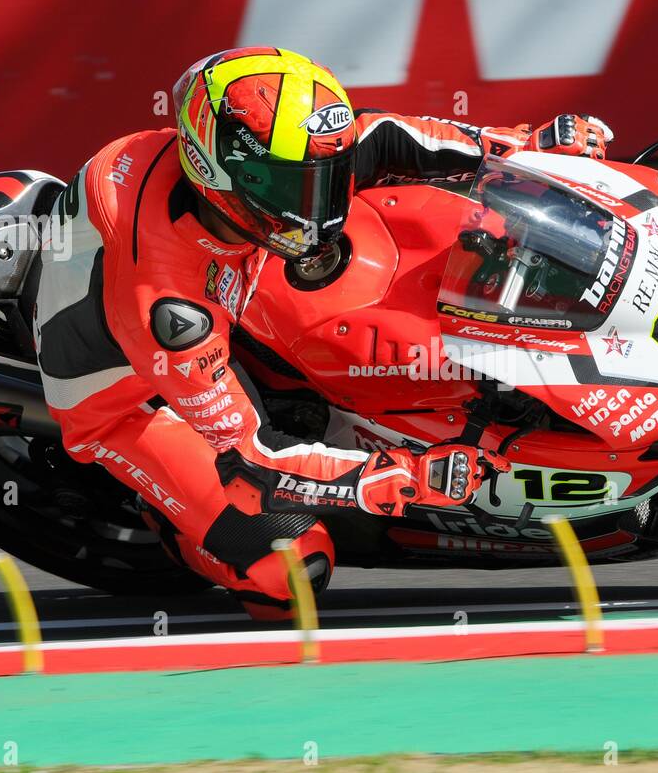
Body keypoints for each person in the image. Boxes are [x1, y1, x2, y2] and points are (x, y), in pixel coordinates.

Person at [30, 46, 613, 616]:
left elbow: (380, 138)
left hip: (230, 268)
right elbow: (252, 460)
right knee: (290, 576)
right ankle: (173, 520)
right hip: (135, 393)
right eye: (298, 188)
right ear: (222, 173)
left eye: (327, 179)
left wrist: (521, 145)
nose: (323, 208)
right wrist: (405, 477)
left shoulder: (246, 177)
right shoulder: (172, 311)